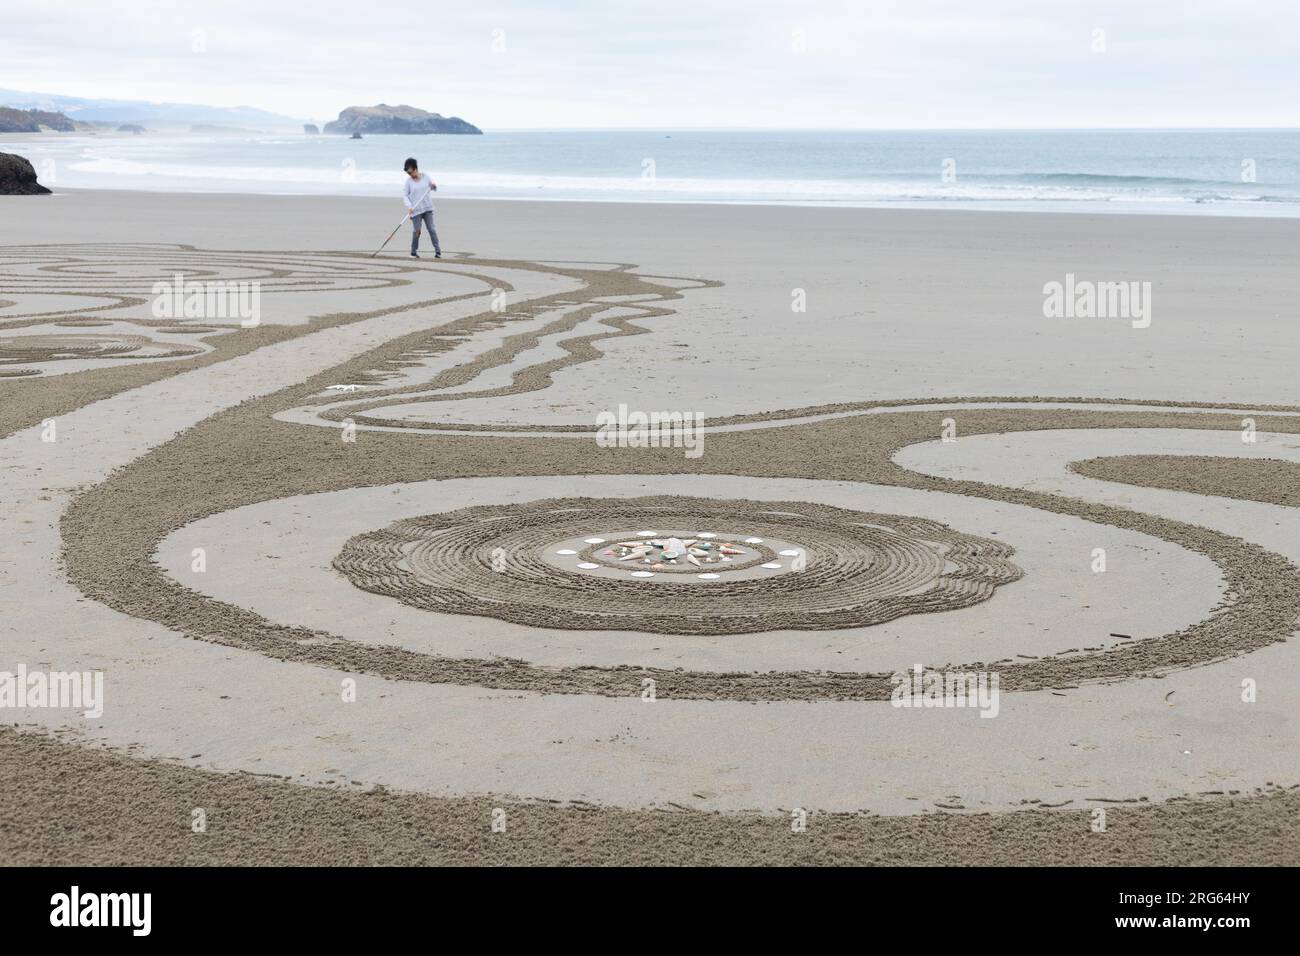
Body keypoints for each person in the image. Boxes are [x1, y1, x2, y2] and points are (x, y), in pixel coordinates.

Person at [402, 157, 440, 258]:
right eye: (408, 173)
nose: (410, 175)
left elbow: (434, 188)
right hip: (415, 210)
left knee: (432, 229)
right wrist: (409, 206)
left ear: (415, 169)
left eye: (410, 172)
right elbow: (405, 195)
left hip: (428, 208)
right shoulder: (408, 182)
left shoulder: (426, 177)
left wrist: (433, 186)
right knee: (417, 231)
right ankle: (413, 252)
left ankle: (438, 251)